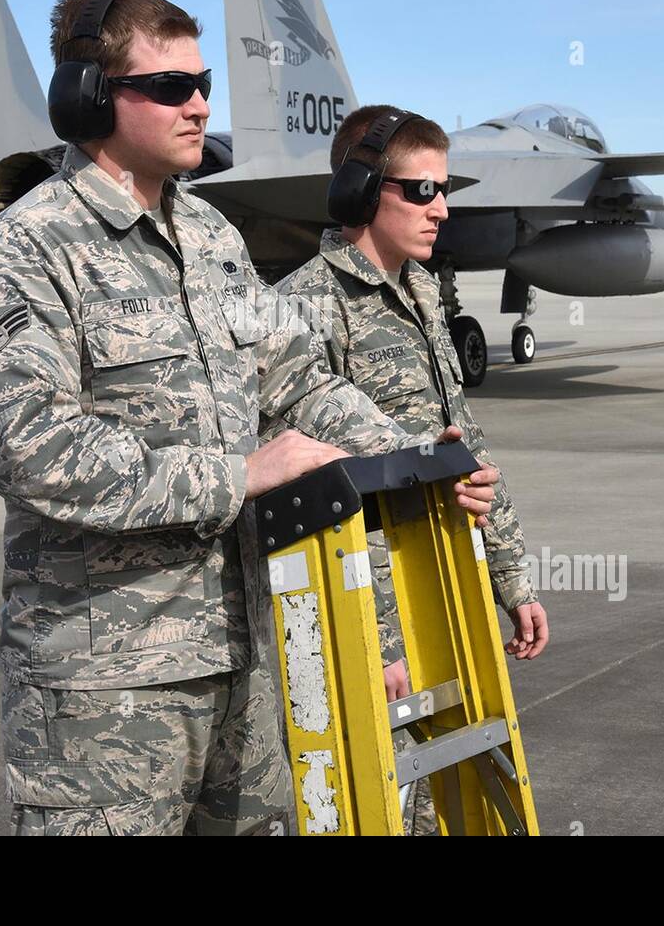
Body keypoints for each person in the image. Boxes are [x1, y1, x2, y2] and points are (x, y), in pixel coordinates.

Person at [0, 0, 500, 836]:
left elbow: (298, 381)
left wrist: (419, 459)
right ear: (90, 98)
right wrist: (240, 474)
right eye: (168, 87)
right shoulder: (26, 252)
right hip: (109, 691)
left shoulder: (211, 238)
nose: (198, 103)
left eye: (202, 82)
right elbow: (33, 449)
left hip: (249, 661)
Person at [266, 104, 550, 833]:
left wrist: (511, 577)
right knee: (369, 810)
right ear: (362, 194)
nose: (441, 209)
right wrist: (376, 642)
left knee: (445, 808)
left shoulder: (422, 292)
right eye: (421, 191)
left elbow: (466, 445)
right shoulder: (302, 307)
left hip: (443, 593)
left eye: (443, 189)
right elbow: (305, 505)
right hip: (362, 615)